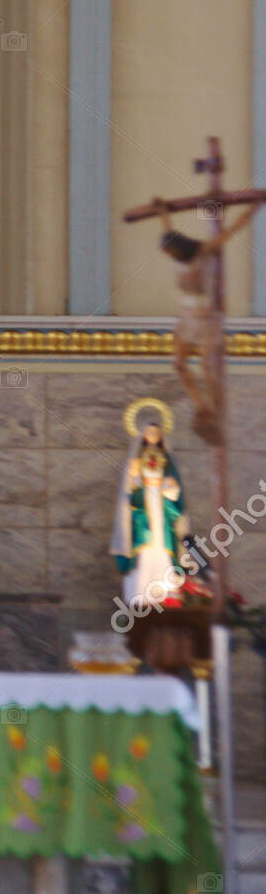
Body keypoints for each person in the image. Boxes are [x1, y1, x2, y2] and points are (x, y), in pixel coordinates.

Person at [155, 195, 261, 439]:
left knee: (206, 366)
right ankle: (201, 406)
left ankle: (214, 410)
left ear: (179, 247)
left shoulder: (204, 251)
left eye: (169, 250)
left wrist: (255, 206)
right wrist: (162, 212)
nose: (168, 255)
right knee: (179, 365)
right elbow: (168, 230)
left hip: (205, 317)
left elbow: (233, 229)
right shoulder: (177, 254)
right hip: (187, 316)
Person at [111, 406, 202, 610]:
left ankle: (167, 598)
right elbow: (129, 491)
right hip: (143, 511)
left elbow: (174, 486)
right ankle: (140, 599)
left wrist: (168, 488)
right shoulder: (136, 459)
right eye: (149, 432)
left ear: (161, 435)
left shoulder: (167, 460)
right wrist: (136, 481)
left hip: (162, 508)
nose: (152, 435)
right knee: (144, 552)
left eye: (156, 432)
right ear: (143, 435)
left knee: (163, 548)